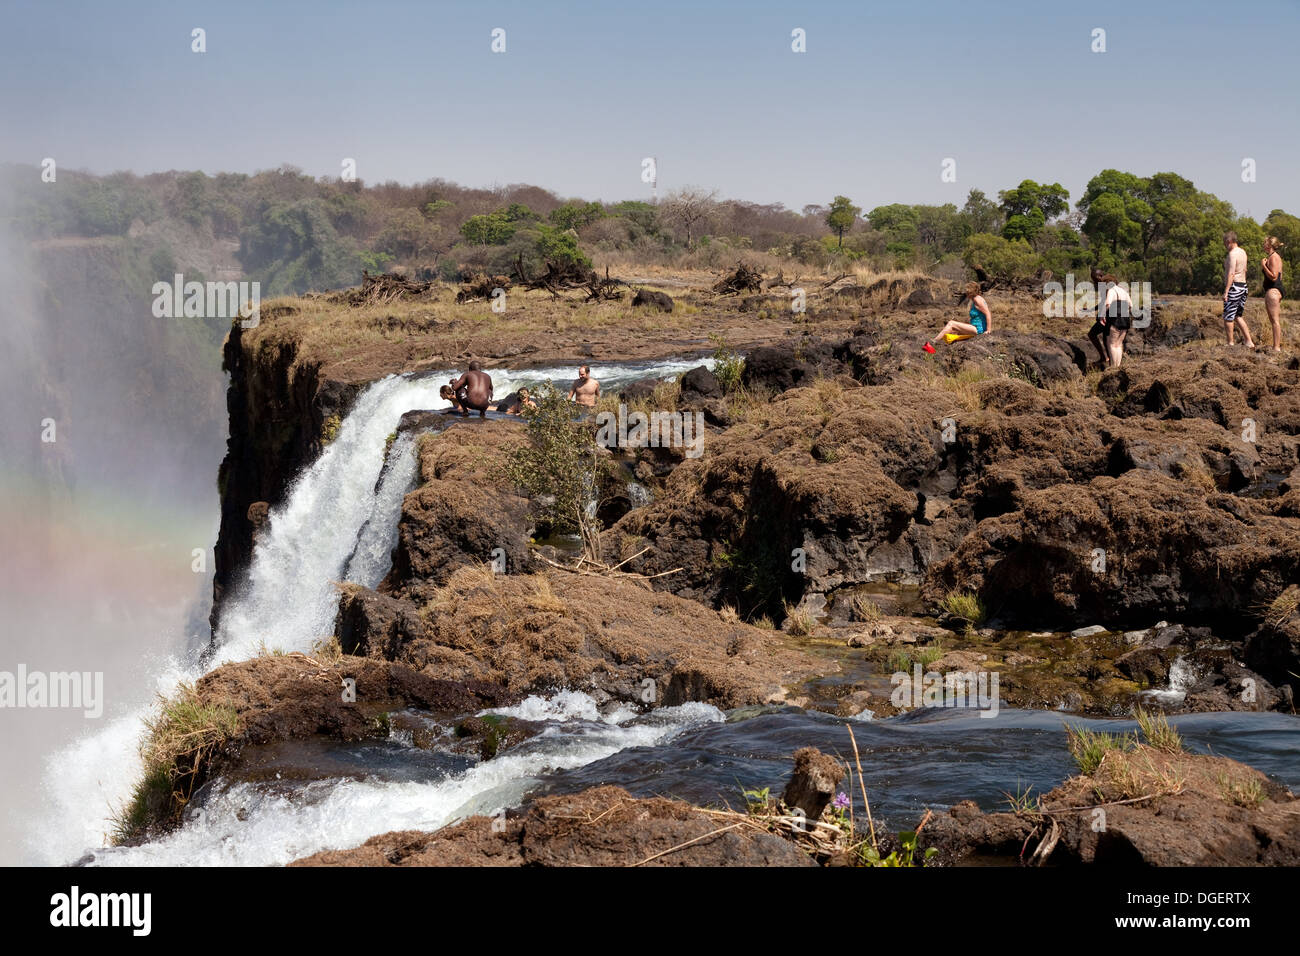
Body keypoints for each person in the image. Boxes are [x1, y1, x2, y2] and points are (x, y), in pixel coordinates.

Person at [924, 282, 990, 353]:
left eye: (967, 292)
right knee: (953, 330)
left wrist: (988, 330)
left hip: (978, 329)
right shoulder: (977, 298)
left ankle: (934, 342)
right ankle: (938, 348)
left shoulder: (977, 300)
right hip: (975, 327)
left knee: (951, 323)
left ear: (971, 292)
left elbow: (988, 313)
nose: (966, 294)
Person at [1222, 232, 1256, 348]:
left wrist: (1226, 291)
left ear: (1229, 241)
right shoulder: (1243, 252)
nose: (1225, 246)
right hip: (1243, 286)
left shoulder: (1232, 254)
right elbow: (1244, 270)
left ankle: (1230, 343)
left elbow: (1231, 273)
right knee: (1238, 315)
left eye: (1225, 243)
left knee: (1228, 316)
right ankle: (1249, 341)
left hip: (1234, 287)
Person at [1095, 272, 1134, 369]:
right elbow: (1131, 305)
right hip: (1125, 320)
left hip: (1114, 320)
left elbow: (1107, 304)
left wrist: (1102, 316)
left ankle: (1113, 367)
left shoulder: (1111, 290)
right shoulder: (1124, 291)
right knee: (1118, 344)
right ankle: (1118, 367)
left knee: (1112, 344)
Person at [1262, 236, 1285, 352]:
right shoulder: (1272, 257)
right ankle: (1275, 346)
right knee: (1273, 320)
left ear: (1269, 245)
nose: (1263, 244)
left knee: (1275, 321)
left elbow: (1274, 276)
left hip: (1273, 290)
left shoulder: (1274, 257)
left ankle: (1276, 347)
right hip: (1272, 290)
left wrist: (1263, 266)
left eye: (1265, 243)